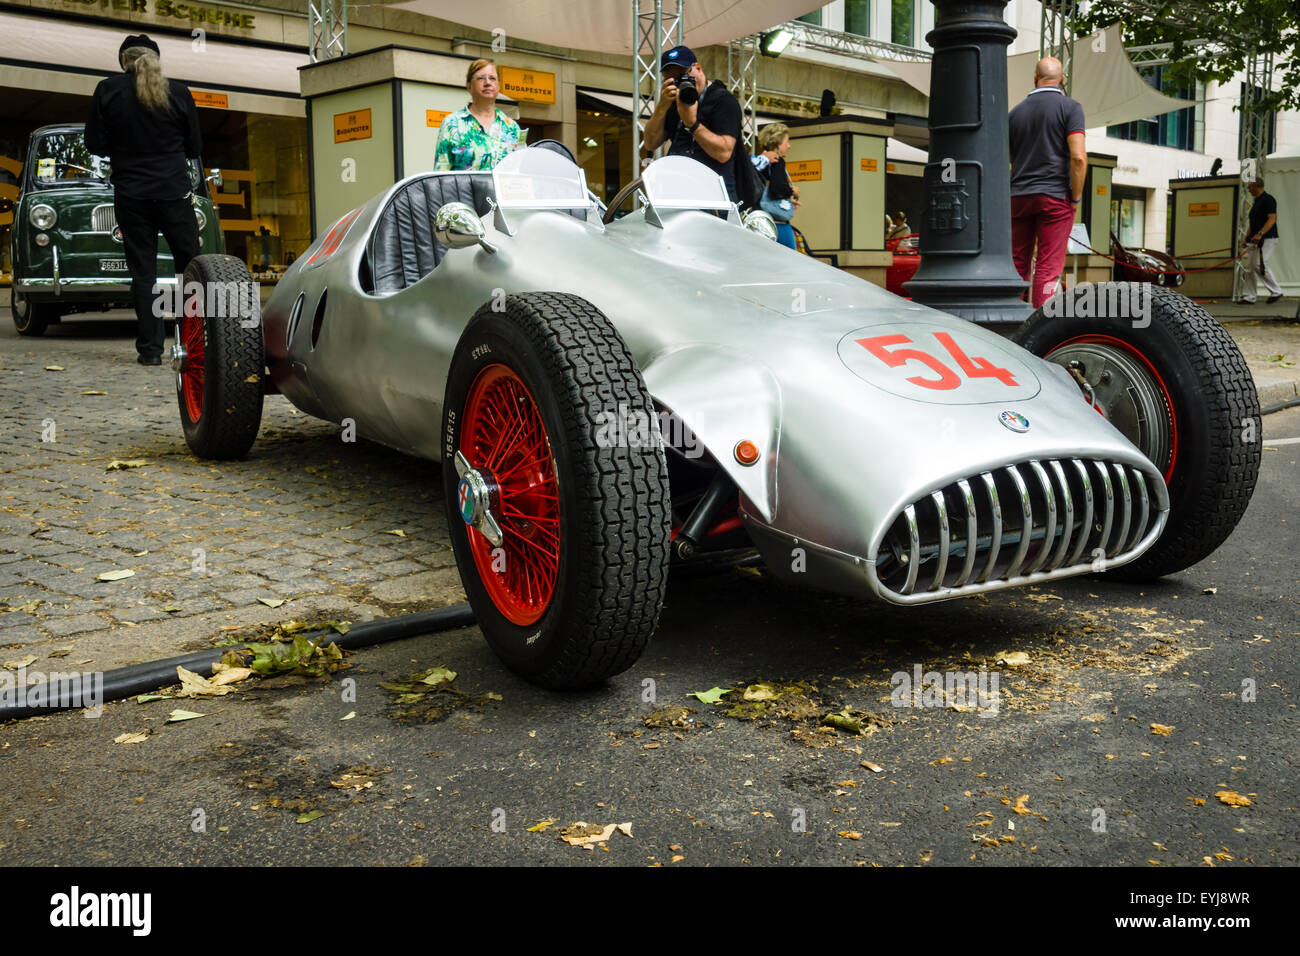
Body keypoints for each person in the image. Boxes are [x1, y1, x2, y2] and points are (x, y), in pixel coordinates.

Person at [85, 34, 203, 366]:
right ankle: (195, 342)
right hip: (173, 192)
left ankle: (150, 352)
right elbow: (194, 147)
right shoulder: (179, 92)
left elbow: (93, 142)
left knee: (143, 272)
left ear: (123, 60)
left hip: (131, 193)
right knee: (190, 266)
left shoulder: (107, 90)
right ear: (156, 59)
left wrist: (122, 152)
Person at [1008, 56, 1087, 309]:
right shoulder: (1071, 108)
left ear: (1035, 77)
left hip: (1018, 197)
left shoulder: (1014, 114)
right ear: (1062, 79)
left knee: (1016, 263)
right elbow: (1078, 158)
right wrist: (1075, 197)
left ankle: (1011, 322)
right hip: (1054, 196)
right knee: (1047, 268)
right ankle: (1040, 328)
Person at [644, 45, 744, 202]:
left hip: (714, 198)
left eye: (684, 76)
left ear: (698, 68)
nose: (681, 83)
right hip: (677, 193)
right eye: (673, 79)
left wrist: (692, 124)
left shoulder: (723, 100)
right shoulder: (672, 100)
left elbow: (724, 152)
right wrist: (662, 107)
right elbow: (650, 143)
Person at [433, 59, 526, 171]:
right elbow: (440, 174)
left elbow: (521, 171)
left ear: (498, 85)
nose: (487, 83)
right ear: (469, 86)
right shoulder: (452, 123)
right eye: (481, 78)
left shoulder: (512, 127)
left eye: (492, 78)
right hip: (464, 189)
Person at [751, 123, 799, 249]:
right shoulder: (777, 161)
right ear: (778, 143)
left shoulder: (758, 160)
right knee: (790, 262)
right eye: (786, 142)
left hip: (759, 220)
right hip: (777, 224)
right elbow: (777, 189)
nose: (789, 146)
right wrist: (792, 191)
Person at [1239, 178, 1283, 304]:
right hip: (1255, 239)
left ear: (1257, 186)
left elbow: (1272, 219)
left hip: (1268, 238)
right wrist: (1246, 238)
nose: (1248, 190)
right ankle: (1249, 297)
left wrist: (1260, 233)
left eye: (1250, 187)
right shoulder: (1257, 201)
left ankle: (1276, 291)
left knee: (1259, 264)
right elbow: (1252, 224)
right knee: (1250, 268)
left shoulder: (1268, 199)